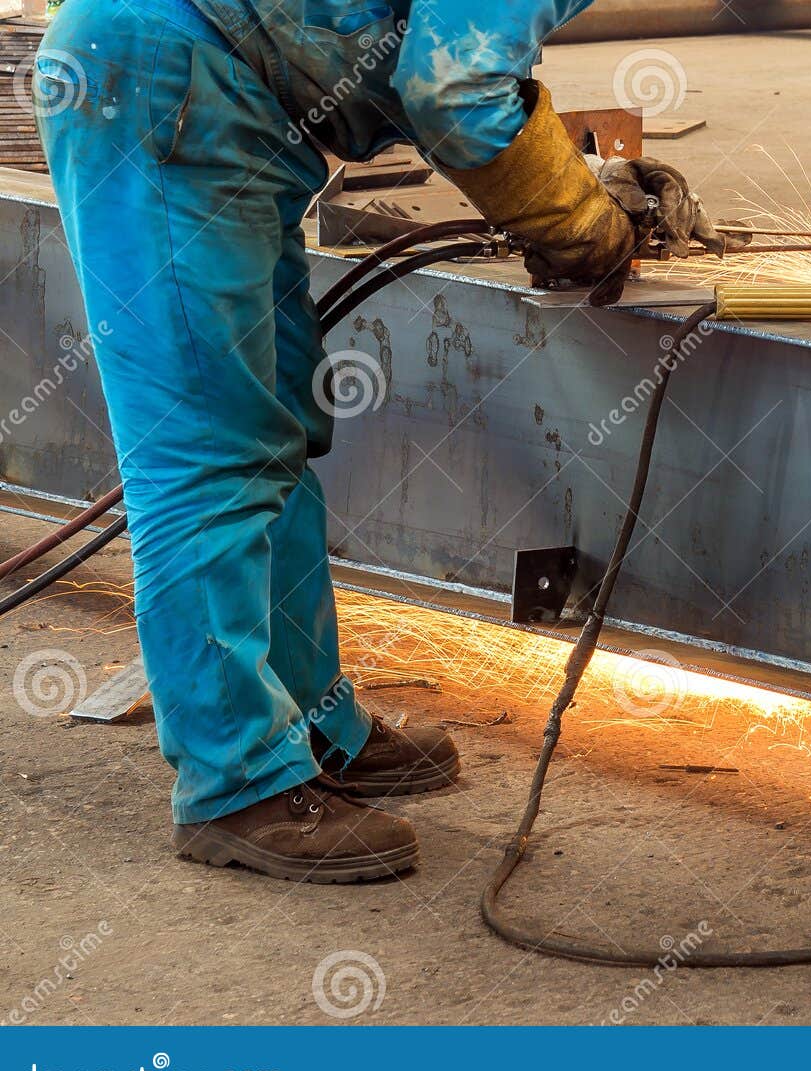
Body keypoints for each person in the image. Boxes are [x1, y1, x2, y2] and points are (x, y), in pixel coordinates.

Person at [34, 0, 715, 883]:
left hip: (225, 99)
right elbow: (455, 88)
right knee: (205, 453)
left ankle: (310, 722)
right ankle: (235, 783)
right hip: (164, 82)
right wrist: (576, 220)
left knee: (271, 428)